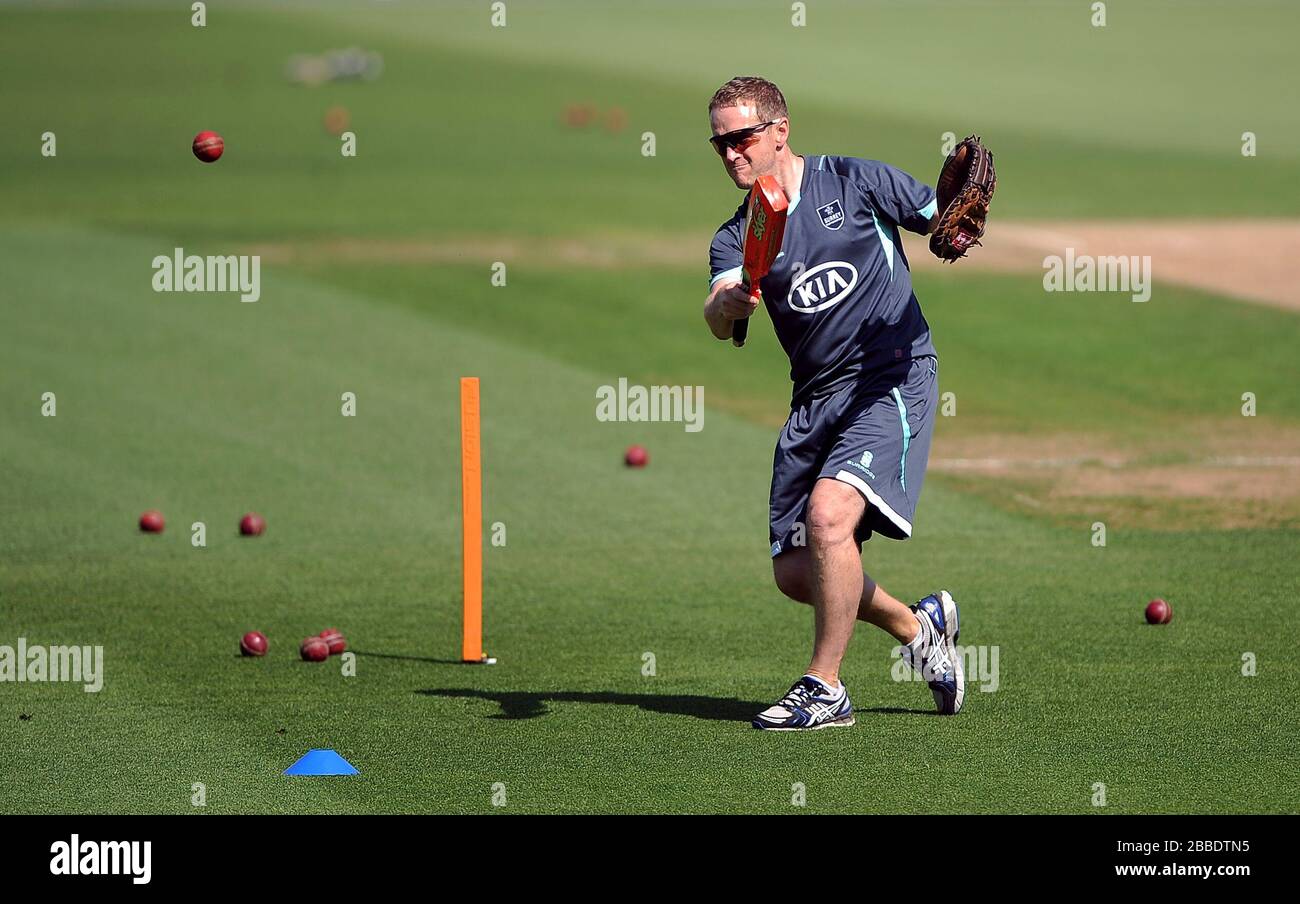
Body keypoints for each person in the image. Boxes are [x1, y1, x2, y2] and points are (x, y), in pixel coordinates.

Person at [703, 76, 963, 730]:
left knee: (828, 520)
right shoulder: (736, 237)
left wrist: (958, 222)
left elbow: (942, 217)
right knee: (797, 572)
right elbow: (718, 310)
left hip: (888, 377)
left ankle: (825, 688)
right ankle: (917, 626)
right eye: (720, 144)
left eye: (744, 137)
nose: (733, 153)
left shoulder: (855, 181)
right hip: (815, 401)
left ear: (780, 130)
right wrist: (727, 304)